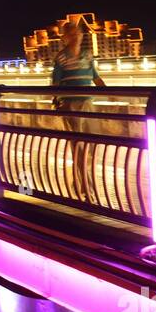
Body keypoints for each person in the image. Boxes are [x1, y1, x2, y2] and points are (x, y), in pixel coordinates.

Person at [50, 19, 107, 203]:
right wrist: (57, 101)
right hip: (71, 106)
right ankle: (84, 190)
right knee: (78, 149)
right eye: (71, 34)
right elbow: (55, 84)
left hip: (88, 105)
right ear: (65, 38)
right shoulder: (61, 57)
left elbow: (96, 79)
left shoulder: (88, 55)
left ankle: (85, 186)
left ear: (82, 36)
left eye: (78, 33)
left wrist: (114, 93)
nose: (75, 37)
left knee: (90, 148)